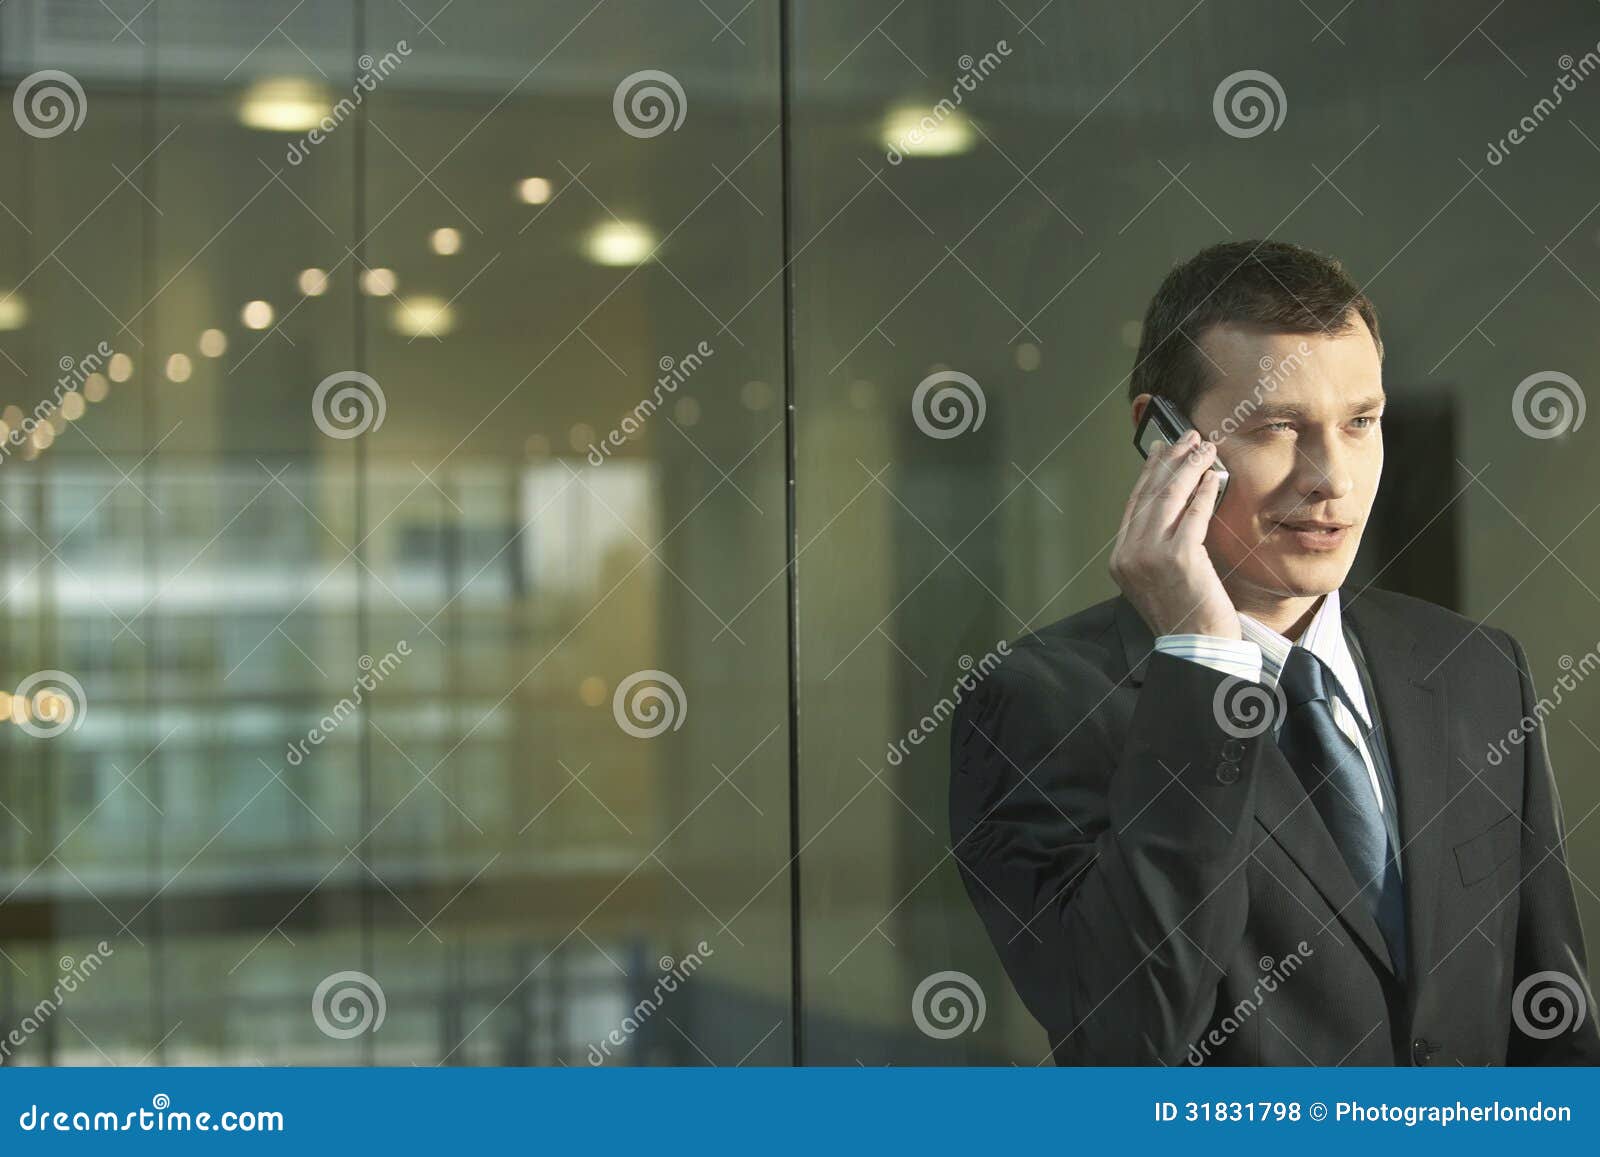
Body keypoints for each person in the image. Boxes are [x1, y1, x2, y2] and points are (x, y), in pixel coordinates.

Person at [948, 239, 1600, 1065]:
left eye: (1361, 422)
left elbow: (1554, 1025)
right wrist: (1198, 661)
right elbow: (1127, 1040)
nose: (1332, 476)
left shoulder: (1475, 670)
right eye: (1278, 427)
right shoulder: (1036, 704)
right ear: (1163, 438)